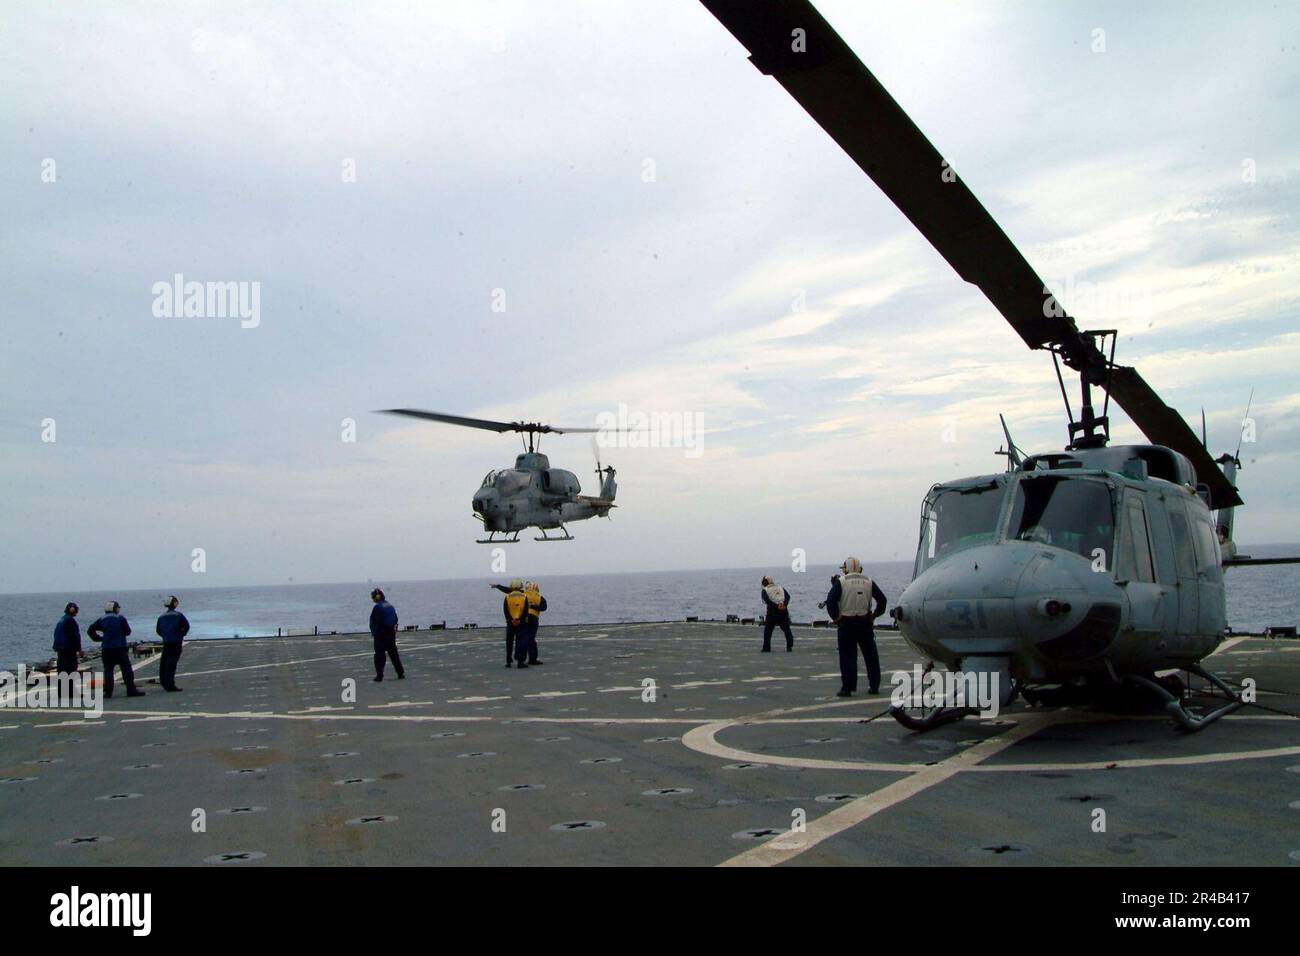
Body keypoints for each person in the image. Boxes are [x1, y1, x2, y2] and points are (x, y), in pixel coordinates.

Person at [825, 558, 888, 698]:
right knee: (871, 656)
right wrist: (874, 615)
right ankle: (874, 685)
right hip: (865, 623)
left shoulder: (841, 582)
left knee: (848, 657)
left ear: (846, 569)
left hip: (846, 623)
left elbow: (830, 601)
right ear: (860, 569)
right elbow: (882, 600)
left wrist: (836, 617)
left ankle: (847, 688)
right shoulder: (869, 581)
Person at [88, 601, 145, 698]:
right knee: (126, 670)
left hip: (107, 649)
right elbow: (128, 632)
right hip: (120, 648)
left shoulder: (101, 619)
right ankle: (131, 690)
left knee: (108, 671)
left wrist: (99, 638)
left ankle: (108, 692)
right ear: (115, 609)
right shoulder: (120, 618)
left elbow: (90, 630)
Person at [155, 595, 190, 692]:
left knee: (164, 663)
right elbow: (186, 626)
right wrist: (181, 635)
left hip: (166, 642)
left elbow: (158, 630)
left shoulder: (161, 616)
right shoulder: (178, 615)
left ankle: (164, 682)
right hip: (176, 642)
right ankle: (170, 684)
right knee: (172, 663)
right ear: (174, 603)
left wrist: (165, 636)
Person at [368, 588, 404, 681]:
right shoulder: (390, 606)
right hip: (391, 634)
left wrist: (375, 632)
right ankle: (400, 673)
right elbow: (395, 619)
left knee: (379, 655)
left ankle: (379, 675)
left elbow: (373, 621)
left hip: (381, 634)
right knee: (394, 654)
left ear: (375, 598)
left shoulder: (377, 607)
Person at [492, 579, 529, 668]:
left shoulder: (508, 597)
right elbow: (525, 611)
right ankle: (520, 661)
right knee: (521, 642)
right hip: (521, 623)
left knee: (509, 642)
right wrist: (520, 619)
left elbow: (506, 610)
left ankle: (508, 660)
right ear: (521, 586)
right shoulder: (524, 596)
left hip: (510, 623)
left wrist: (511, 620)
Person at [52, 602, 84, 701]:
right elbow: (75, 637)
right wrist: (79, 650)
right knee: (71, 670)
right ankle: (71, 692)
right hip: (69, 650)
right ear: (73, 610)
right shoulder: (70, 621)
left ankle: (62, 692)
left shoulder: (61, 620)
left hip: (60, 649)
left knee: (62, 671)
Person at [759, 576, 794, 652]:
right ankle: (789, 646)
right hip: (783, 611)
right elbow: (788, 597)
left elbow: (767, 601)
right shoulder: (781, 587)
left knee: (768, 631)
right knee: (786, 629)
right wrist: (784, 605)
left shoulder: (765, 590)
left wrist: (777, 606)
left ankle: (766, 648)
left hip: (772, 612)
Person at [518, 580, 548, 667]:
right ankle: (533, 659)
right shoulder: (539, 597)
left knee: (523, 638)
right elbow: (543, 608)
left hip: (524, 618)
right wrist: (534, 606)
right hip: (533, 619)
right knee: (531, 638)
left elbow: (510, 591)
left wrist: (498, 586)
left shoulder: (522, 594)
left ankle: (521, 660)